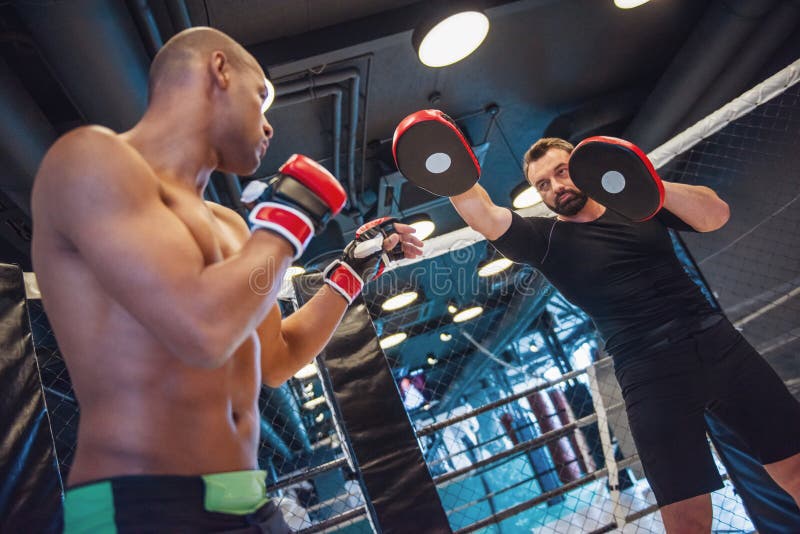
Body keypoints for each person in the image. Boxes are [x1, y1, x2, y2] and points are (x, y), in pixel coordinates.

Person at [30, 27, 423, 533]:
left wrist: (349, 274)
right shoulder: (91, 160)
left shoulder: (234, 227)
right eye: (261, 96)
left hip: (245, 498)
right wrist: (291, 220)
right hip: (139, 505)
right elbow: (201, 331)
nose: (269, 126)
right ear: (219, 70)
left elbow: (277, 358)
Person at [445, 137, 800, 532]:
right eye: (542, 185)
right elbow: (482, 213)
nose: (555, 187)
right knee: (688, 519)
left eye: (561, 172)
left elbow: (715, 215)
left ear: (581, 168)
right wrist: (444, 159)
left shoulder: (634, 201)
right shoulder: (543, 239)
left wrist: (645, 182)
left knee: (795, 469)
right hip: (651, 375)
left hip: (719, 346)